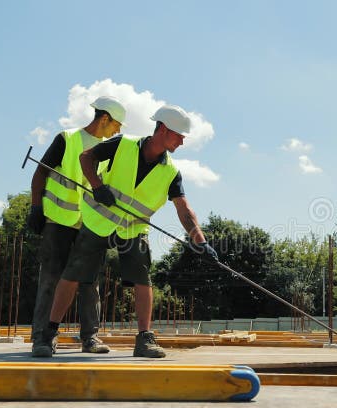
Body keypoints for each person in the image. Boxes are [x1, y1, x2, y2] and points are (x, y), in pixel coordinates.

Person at [34, 104, 217, 358]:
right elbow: (86, 157)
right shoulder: (123, 144)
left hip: (133, 229)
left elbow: (184, 210)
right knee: (73, 274)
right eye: (179, 134)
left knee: (143, 279)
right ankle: (48, 334)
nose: (183, 141)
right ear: (163, 129)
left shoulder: (171, 171)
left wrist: (200, 241)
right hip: (98, 221)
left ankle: (144, 339)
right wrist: (97, 186)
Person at [26, 96, 125, 357]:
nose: (118, 130)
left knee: (90, 282)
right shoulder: (67, 139)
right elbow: (40, 173)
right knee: (51, 279)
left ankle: (90, 338)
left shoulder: (110, 150)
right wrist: (36, 207)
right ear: (104, 118)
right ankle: (42, 339)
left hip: (91, 225)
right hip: (59, 220)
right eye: (117, 124)